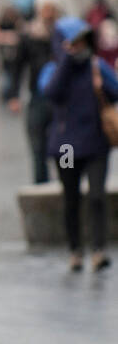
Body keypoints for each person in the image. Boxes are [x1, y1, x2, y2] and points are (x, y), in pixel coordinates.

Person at [39, 19, 118, 272]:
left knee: (96, 196)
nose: (78, 47)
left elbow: (116, 91)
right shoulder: (53, 68)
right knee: (71, 198)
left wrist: (102, 84)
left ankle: (98, 249)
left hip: (96, 142)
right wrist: (67, 62)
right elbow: (50, 92)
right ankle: (75, 250)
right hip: (66, 147)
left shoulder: (96, 66)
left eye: (82, 41)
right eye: (72, 42)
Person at [4, 0, 62, 184]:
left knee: (65, 147)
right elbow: (17, 66)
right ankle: (41, 186)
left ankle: (69, 183)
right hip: (38, 97)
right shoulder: (29, 35)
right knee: (38, 148)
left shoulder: (64, 34)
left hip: (62, 99)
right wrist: (13, 95)